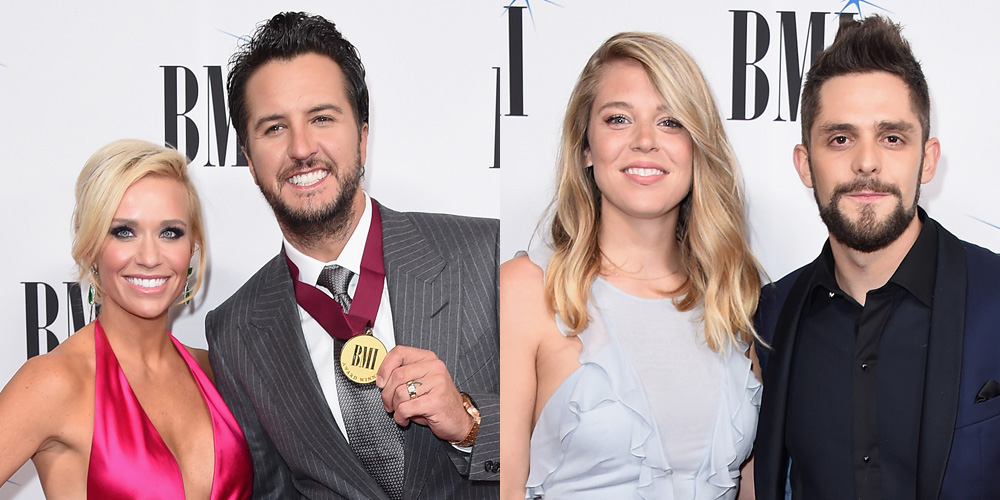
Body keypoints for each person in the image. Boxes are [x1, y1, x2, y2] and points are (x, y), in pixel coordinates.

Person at [205, 11, 500, 500]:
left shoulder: (484, 255)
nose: (302, 148)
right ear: (250, 159)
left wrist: (469, 423)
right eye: (274, 128)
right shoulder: (234, 331)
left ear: (362, 135)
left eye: (322, 118)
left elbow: (567, 438)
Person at [500, 32, 763, 499]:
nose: (645, 141)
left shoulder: (736, 295)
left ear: (697, 146)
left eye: (670, 121)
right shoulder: (525, 292)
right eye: (619, 119)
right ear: (585, 147)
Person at [754, 15, 1000, 500]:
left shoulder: (996, 296)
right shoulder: (769, 315)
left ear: (927, 159)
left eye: (892, 137)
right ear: (806, 164)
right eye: (840, 139)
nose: (866, 162)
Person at [0, 139, 252, 499]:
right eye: (124, 232)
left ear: (191, 248)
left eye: (170, 233)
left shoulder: (217, 371)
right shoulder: (54, 383)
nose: (150, 257)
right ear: (91, 247)